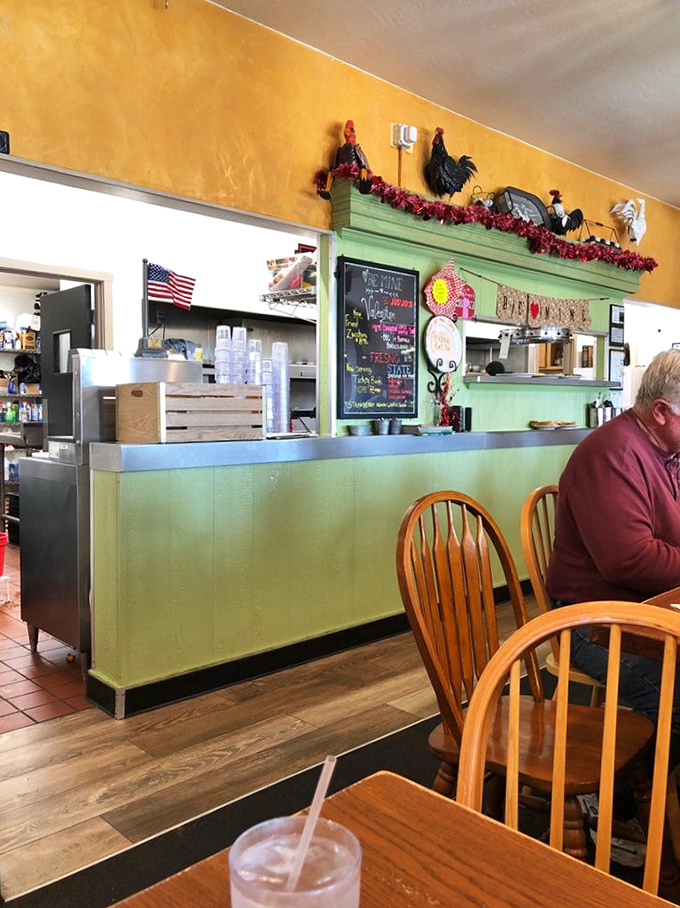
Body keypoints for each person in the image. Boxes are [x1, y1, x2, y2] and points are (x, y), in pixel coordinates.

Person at [547, 347, 680, 771]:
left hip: (639, 610)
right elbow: (631, 561)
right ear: (661, 411)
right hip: (589, 622)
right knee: (674, 700)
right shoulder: (614, 454)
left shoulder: (665, 450)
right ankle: (613, 800)